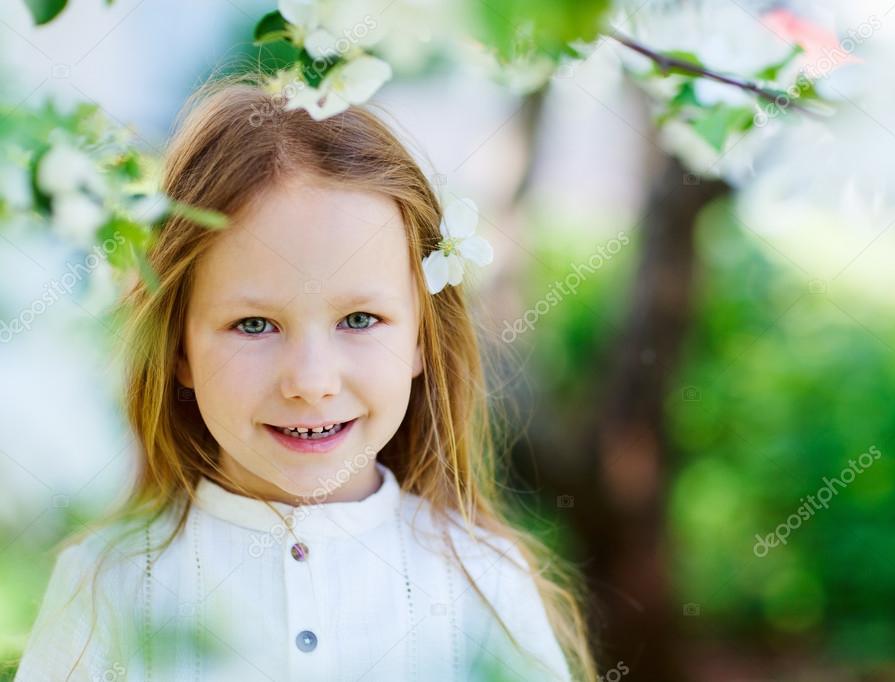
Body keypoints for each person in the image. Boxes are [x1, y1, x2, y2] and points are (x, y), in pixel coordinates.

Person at [14, 76, 595, 682]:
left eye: (360, 319)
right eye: (255, 324)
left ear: (422, 336)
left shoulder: (483, 584)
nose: (311, 382)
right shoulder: (108, 585)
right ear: (179, 346)